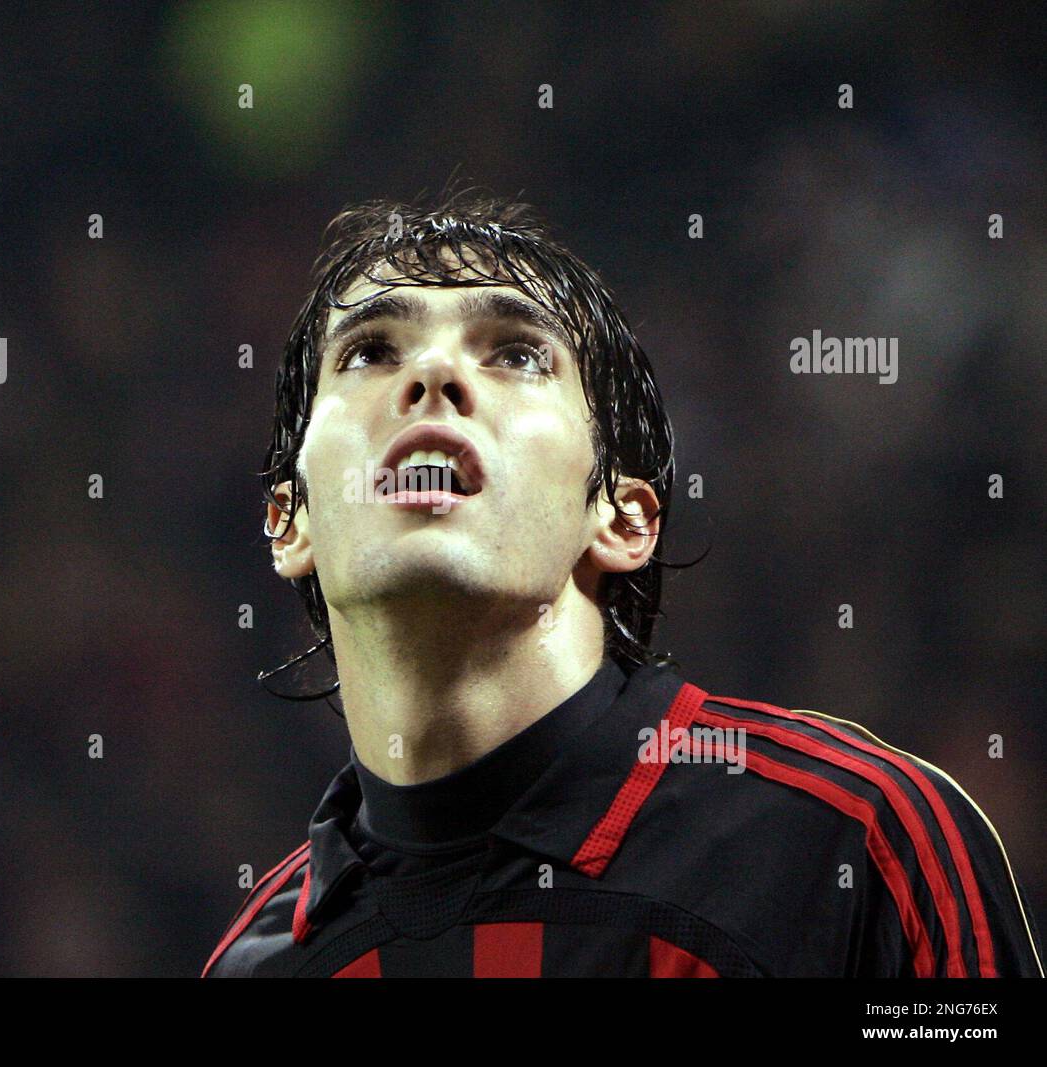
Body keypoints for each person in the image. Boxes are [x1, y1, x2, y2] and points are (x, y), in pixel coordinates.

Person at [203, 189, 1043, 977]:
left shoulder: (850, 844)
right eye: (369, 351)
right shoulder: (256, 964)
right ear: (290, 520)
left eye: (517, 352)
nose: (432, 378)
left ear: (623, 519)